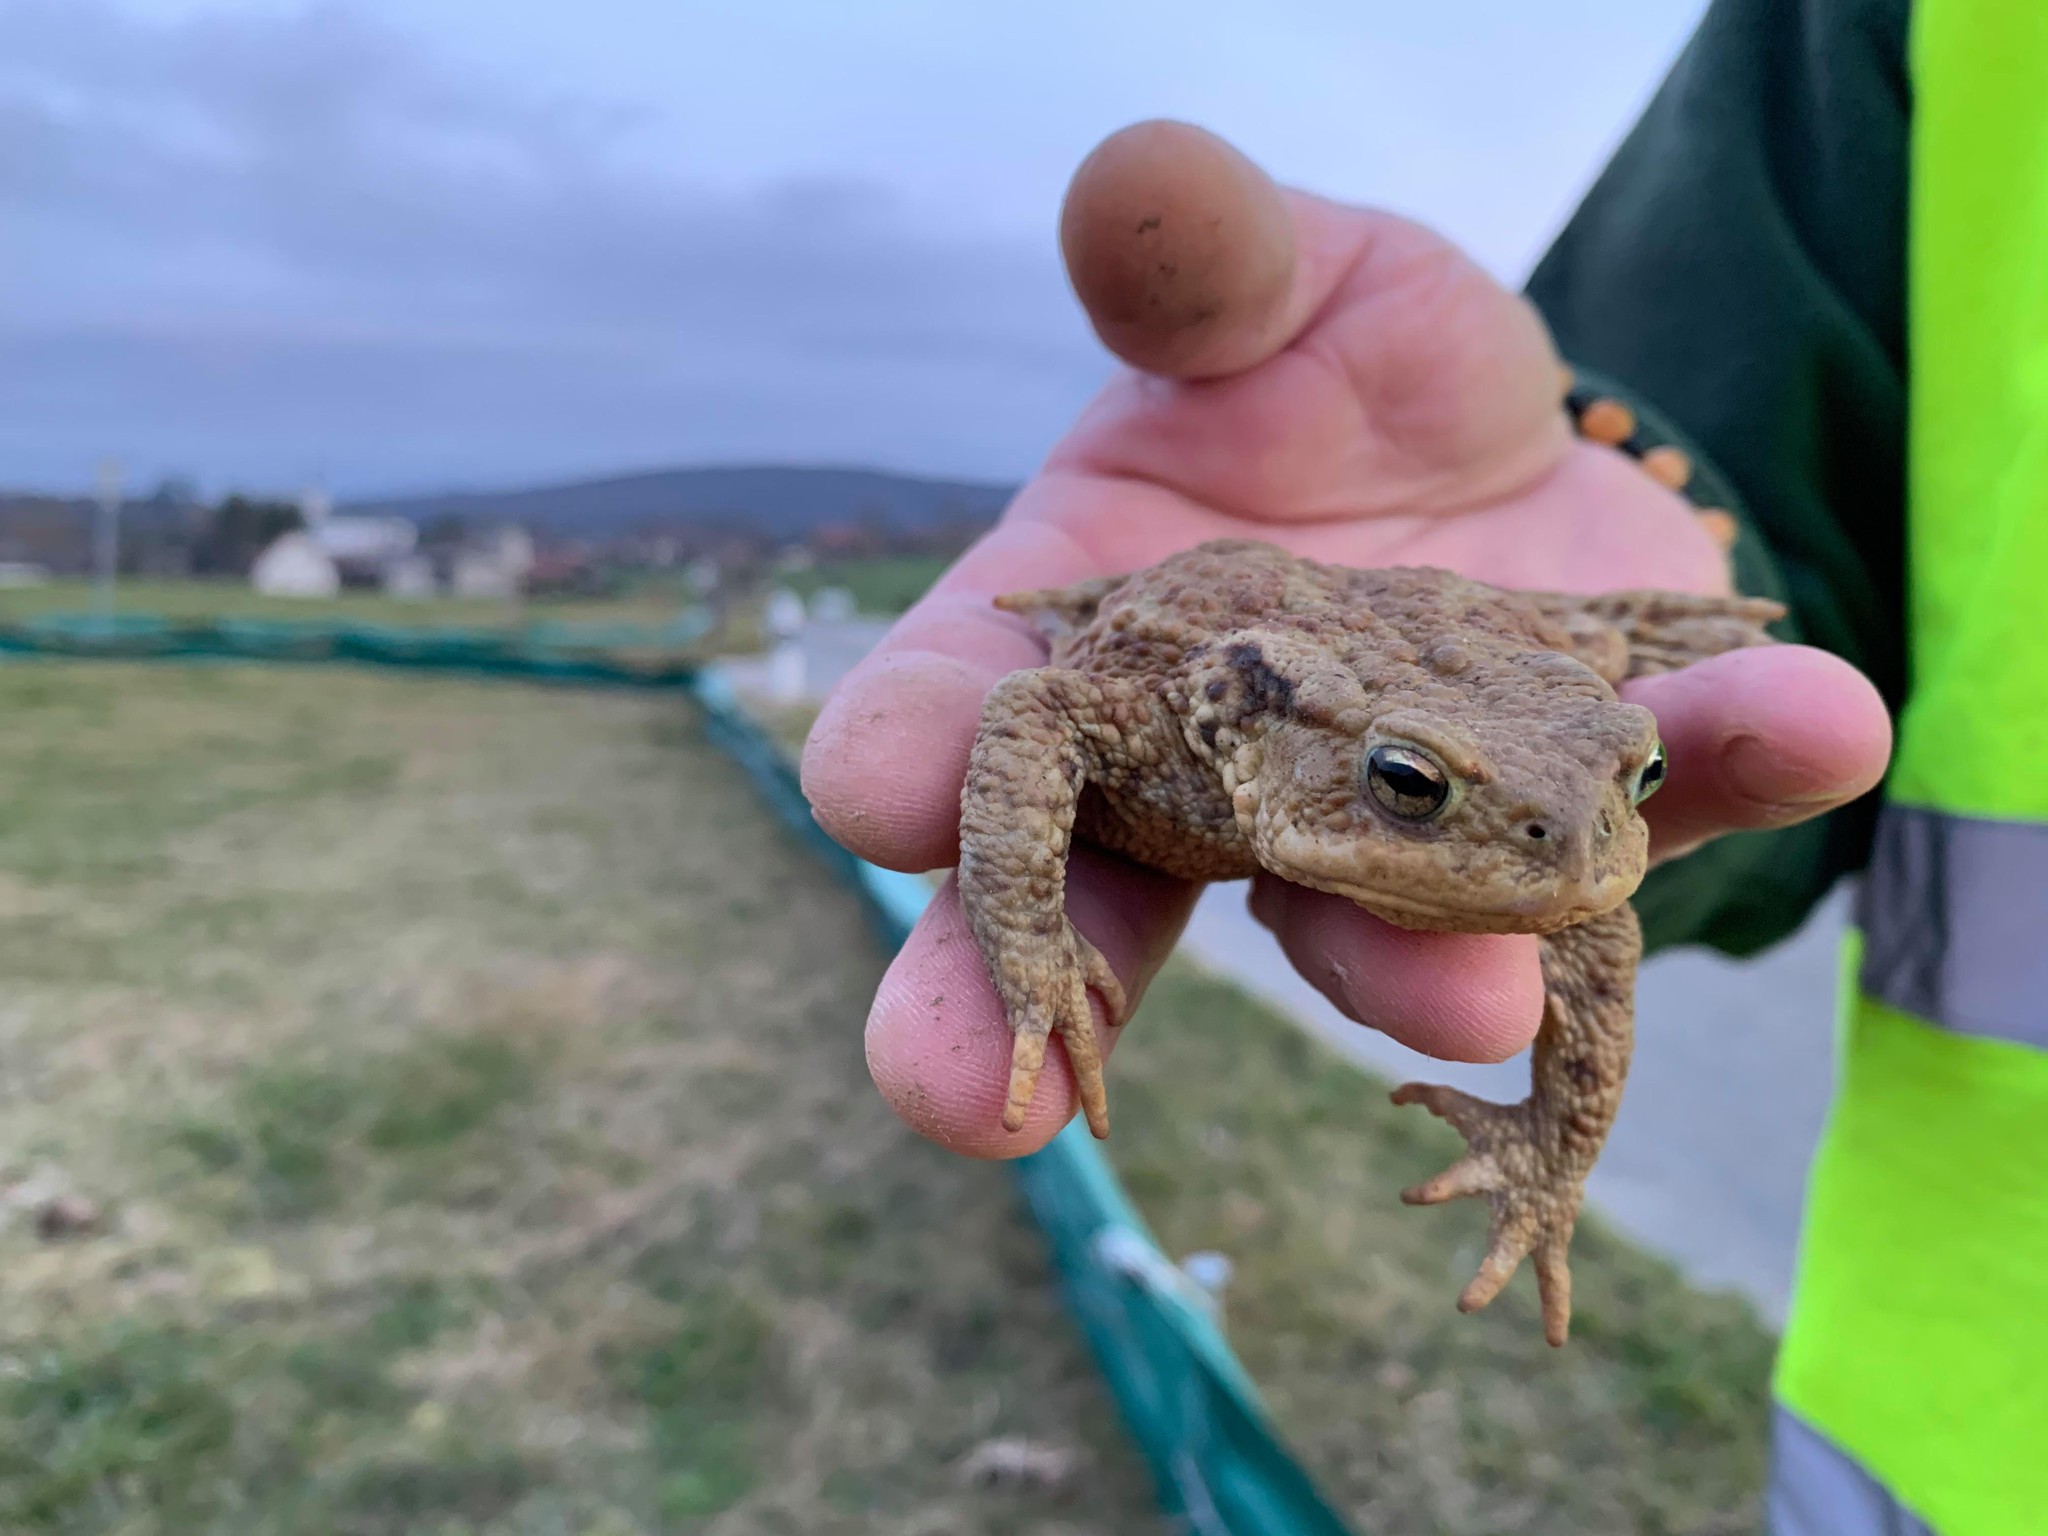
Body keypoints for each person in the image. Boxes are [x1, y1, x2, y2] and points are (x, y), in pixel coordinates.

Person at [803, 0, 2045, 1529]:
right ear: (1339, 768)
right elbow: (1034, 716)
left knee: (1556, 806)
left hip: (1462, 663)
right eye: (1412, 792)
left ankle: (1546, 697)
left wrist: (1548, 1148)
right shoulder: (1190, 740)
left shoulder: (1562, 817)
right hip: (1918, 1451)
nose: (1581, 852)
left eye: (1633, 787)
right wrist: (1027, 920)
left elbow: (1592, 911)